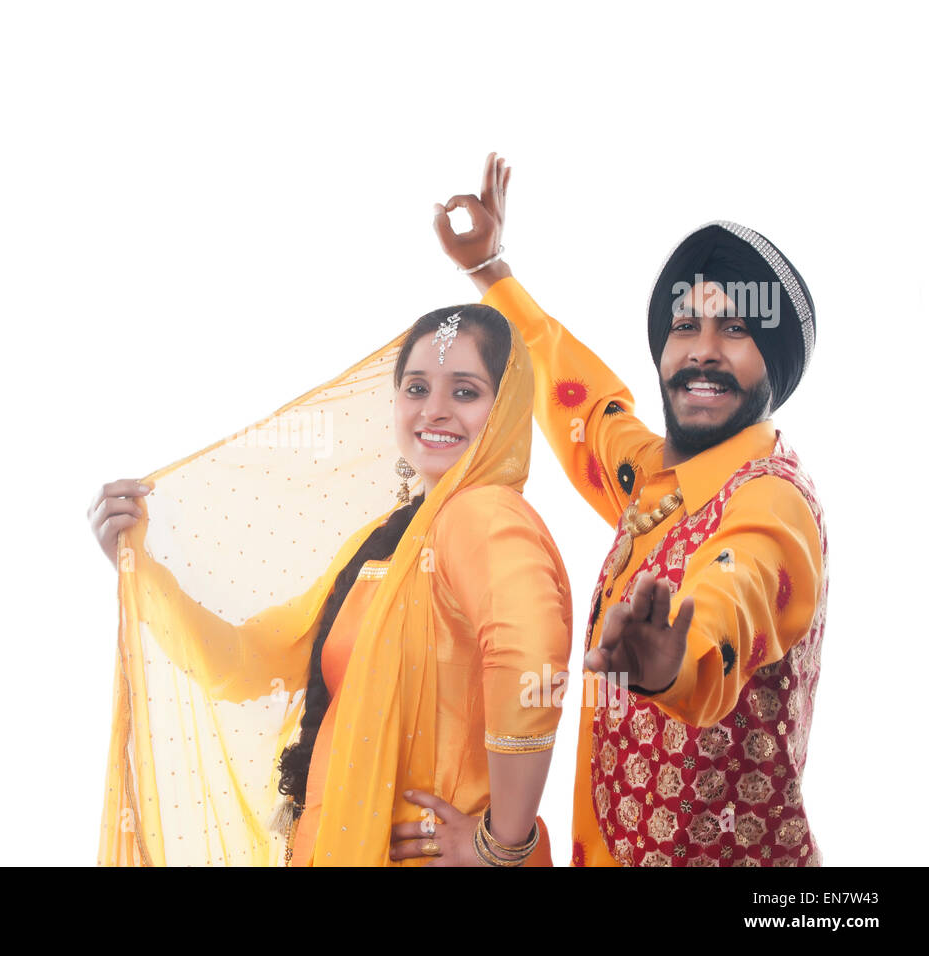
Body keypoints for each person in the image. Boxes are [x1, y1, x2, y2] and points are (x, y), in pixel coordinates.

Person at [433, 152, 827, 866]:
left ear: (775, 359)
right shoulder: (653, 479)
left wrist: (678, 661)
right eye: (685, 326)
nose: (702, 353)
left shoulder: (773, 499)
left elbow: (736, 583)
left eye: (736, 332)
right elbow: (576, 395)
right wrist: (492, 273)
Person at [89, 301, 572, 866]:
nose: (435, 411)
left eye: (465, 392)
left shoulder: (482, 513)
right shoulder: (389, 540)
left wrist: (502, 845)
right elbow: (252, 663)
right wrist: (140, 566)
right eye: (416, 388)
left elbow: (533, 662)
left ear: (507, 408)